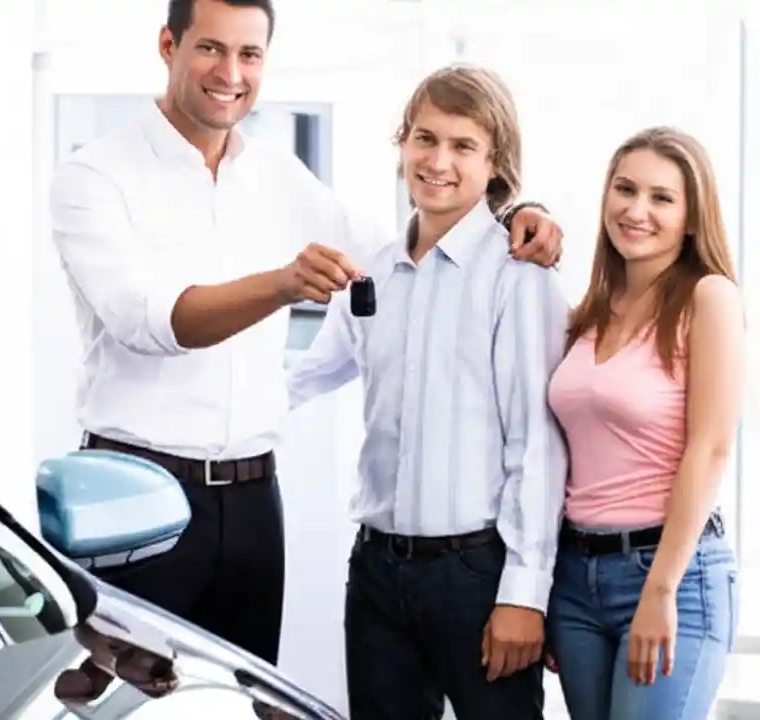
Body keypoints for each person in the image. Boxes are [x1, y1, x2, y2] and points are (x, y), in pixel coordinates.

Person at [47, 0, 564, 667]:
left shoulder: (277, 177)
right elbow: (147, 323)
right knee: (130, 704)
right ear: (168, 44)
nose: (231, 72)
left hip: (254, 503)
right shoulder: (94, 176)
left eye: (250, 54)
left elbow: (407, 255)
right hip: (133, 494)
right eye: (211, 48)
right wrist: (283, 284)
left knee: (247, 701)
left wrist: (518, 210)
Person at [287, 64, 570, 719]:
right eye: (424, 138)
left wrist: (524, 594)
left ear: (496, 164)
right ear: (402, 145)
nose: (438, 161)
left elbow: (538, 444)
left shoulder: (519, 277)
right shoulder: (376, 273)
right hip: (378, 577)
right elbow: (308, 375)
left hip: (476, 577)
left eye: (463, 146)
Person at [543, 126, 745, 720]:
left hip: (669, 575)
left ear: (690, 218)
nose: (636, 210)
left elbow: (709, 449)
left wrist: (659, 591)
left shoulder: (709, 299)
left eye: (661, 197)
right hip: (576, 578)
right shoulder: (589, 313)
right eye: (625, 189)